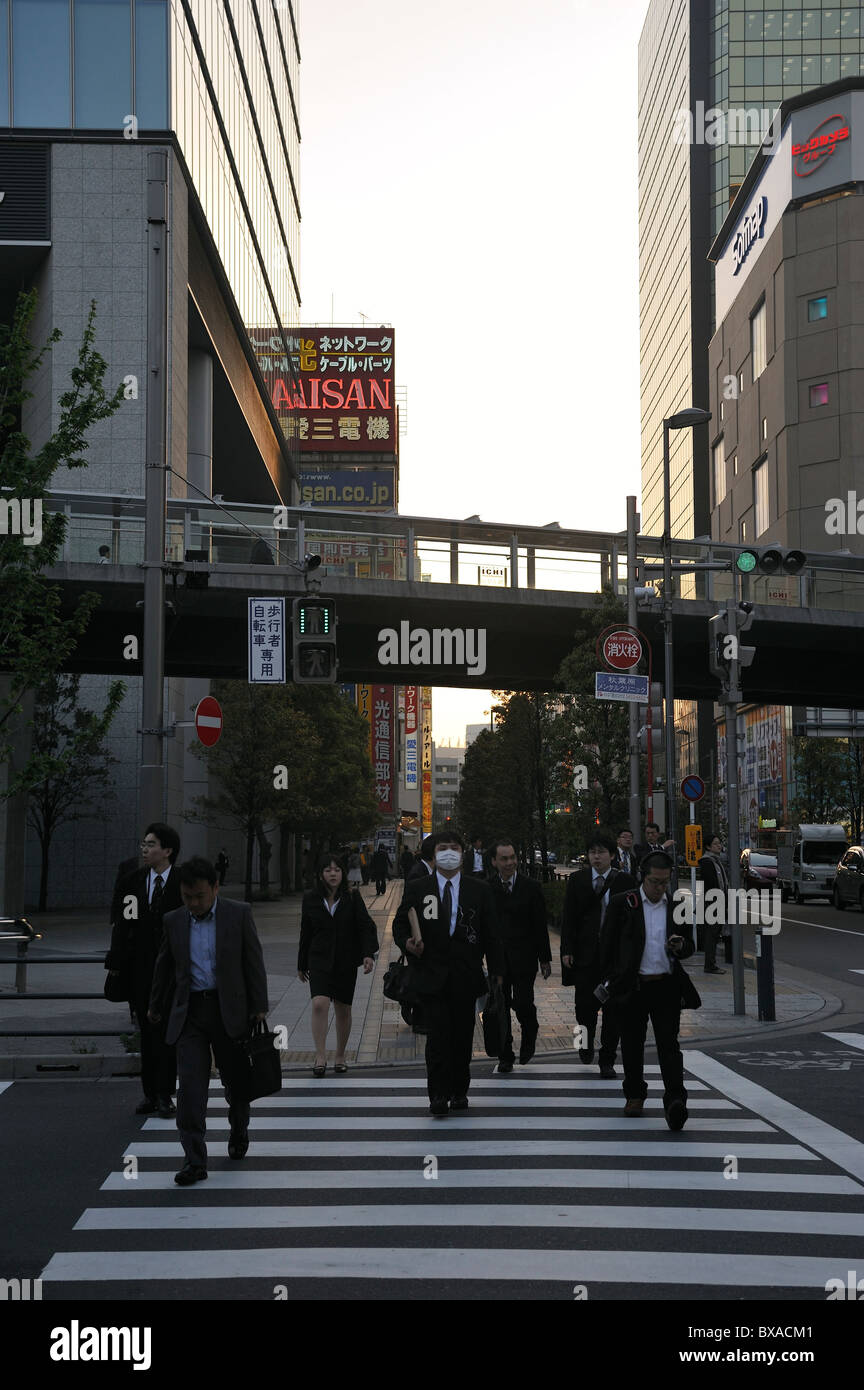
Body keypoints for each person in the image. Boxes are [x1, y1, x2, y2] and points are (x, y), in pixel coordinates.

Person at [148, 856, 269, 1186]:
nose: (193, 903)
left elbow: (253, 960)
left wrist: (259, 1005)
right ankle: (194, 1160)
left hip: (229, 1010)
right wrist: (155, 1005)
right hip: (190, 1013)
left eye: (200, 896)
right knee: (190, 1088)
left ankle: (239, 1128)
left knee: (237, 1082)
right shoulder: (174, 920)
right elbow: (164, 965)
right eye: (187, 897)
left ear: (215, 888)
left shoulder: (238, 914)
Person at [393, 830, 505, 1116]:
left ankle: (459, 1090)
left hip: (465, 975)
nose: (449, 852)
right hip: (431, 974)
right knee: (437, 1037)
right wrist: (408, 943)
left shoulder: (478, 890)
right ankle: (438, 1094)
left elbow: (492, 934)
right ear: (434, 854)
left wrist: (497, 972)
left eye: (454, 848)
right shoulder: (418, 887)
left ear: (463, 854)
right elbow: (400, 925)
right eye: (443, 848)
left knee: (462, 1036)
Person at [598, 850, 700, 1131]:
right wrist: (609, 984)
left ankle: (675, 1101)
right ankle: (634, 1094)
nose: (659, 888)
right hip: (633, 987)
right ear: (644, 878)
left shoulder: (676, 904)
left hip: (665, 985)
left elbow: (692, 944)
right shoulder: (624, 903)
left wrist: (681, 947)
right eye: (655, 882)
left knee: (670, 1046)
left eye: (665, 882)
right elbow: (606, 947)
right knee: (631, 1045)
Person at [105, 823, 183, 1118]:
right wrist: (116, 963)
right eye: (144, 844)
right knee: (147, 1033)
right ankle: (150, 1093)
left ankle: (165, 1093)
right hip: (139, 969)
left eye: (151, 844)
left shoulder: (181, 881)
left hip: (173, 970)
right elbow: (124, 924)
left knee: (165, 1033)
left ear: (167, 850)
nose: (145, 849)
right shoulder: (132, 881)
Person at [560, 834, 637, 1077]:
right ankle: (583, 1045)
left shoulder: (625, 881)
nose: (596, 856)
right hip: (585, 955)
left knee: (613, 1009)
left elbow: (632, 919)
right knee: (583, 1007)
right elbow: (568, 917)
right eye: (592, 852)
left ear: (612, 856)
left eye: (601, 852)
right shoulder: (577, 880)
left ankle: (607, 1059)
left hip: (614, 958)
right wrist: (566, 950)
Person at [297, 854, 378, 1076]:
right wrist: (301, 963)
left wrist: (368, 954)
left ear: (343, 873)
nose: (333, 874)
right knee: (319, 1004)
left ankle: (340, 1055)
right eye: (327, 870)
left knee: (343, 1009)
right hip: (319, 958)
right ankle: (320, 1056)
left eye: (337, 870)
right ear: (320, 874)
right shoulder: (311, 898)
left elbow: (365, 926)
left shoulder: (352, 897)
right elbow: (306, 931)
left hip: (345, 959)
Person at [488, 839, 552, 1070]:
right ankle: (505, 1055)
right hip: (498, 960)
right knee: (500, 1008)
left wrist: (545, 958)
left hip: (525, 957)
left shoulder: (531, 887)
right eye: (504, 859)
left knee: (523, 1003)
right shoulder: (487, 888)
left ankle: (529, 1031)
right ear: (494, 861)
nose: (509, 862)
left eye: (512, 857)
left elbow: (539, 925)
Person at [698, 832, 728, 974]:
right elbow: (711, 884)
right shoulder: (707, 862)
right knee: (712, 934)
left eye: (719, 843)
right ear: (708, 846)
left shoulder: (715, 861)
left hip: (717, 901)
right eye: (715, 844)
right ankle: (709, 965)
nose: (719, 846)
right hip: (713, 903)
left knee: (715, 934)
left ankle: (711, 964)